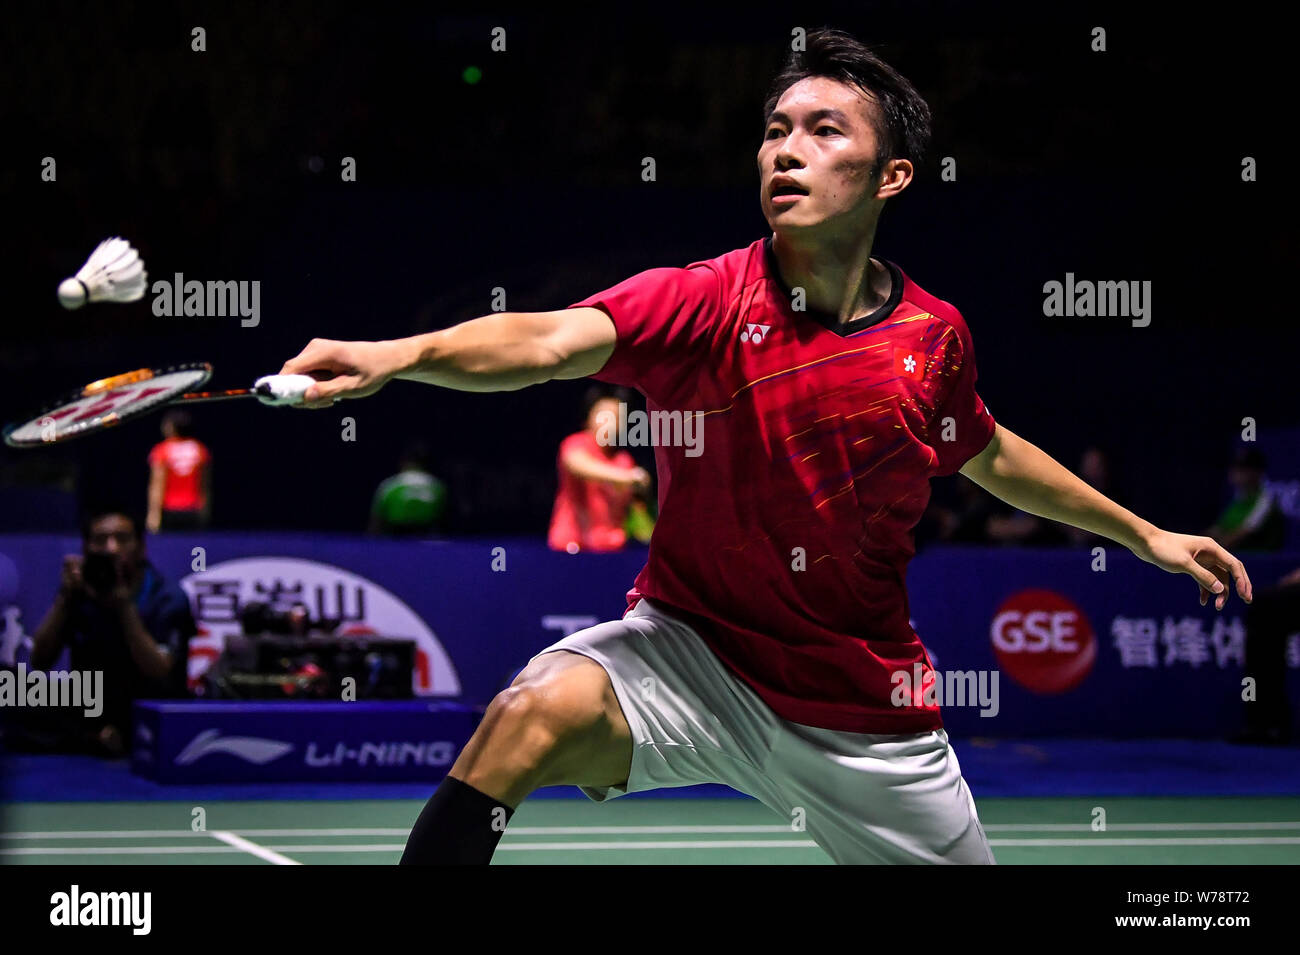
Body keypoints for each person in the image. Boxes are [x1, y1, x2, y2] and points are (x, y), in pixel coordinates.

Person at [277, 29, 1252, 865]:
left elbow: (985, 449)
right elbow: (542, 341)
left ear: (891, 176)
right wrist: (395, 354)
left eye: (824, 131)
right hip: (689, 650)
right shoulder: (704, 301)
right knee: (527, 712)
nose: (786, 150)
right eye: (775, 130)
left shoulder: (930, 337)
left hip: (862, 708)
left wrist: (1143, 535)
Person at [23, 508, 196, 756]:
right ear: (86, 549)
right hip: (90, 707)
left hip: (149, 709)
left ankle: (98, 739)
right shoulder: (78, 592)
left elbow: (159, 671)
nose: (111, 549)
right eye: (100, 540)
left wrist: (124, 606)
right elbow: (39, 662)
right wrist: (65, 599)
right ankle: (97, 738)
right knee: (12, 691)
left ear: (141, 548)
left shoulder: (167, 597)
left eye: (122, 539)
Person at [548, 386, 652, 553]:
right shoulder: (575, 444)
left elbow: (635, 506)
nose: (610, 423)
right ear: (588, 418)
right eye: (604, 416)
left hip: (611, 551)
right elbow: (577, 464)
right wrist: (626, 477)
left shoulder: (624, 461)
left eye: (617, 417)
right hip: (571, 548)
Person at [1207, 446, 1287, 552]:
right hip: (1236, 554)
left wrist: (1211, 550)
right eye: (1235, 467)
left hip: (1260, 559)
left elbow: (1244, 532)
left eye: (1242, 469)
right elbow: (1220, 528)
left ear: (1257, 472)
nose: (1235, 473)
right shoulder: (1240, 496)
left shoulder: (1267, 498)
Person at [146, 410, 211, 533]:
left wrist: (153, 514)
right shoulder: (200, 449)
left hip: (169, 510)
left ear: (171, 427)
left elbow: (157, 484)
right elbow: (205, 485)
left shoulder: (162, 450)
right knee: (192, 550)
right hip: (193, 510)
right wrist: (205, 511)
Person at [369, 440, 448, 535]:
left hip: (396, 542)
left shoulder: (389, 485)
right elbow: (445, 522)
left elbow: (376, 523)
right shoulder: (438, 487)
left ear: (403, 462)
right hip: (429, 542)